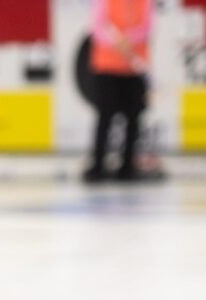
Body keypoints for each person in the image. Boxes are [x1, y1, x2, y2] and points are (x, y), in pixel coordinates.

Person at [83, 0, 153, 183]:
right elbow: (97, 27)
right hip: (107, 67)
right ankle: (98, 165)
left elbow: (147, 27)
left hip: (134, 67)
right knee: (105, 117)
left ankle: (127, 166)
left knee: (133, 118)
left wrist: (128, 39)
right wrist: (117, 41)